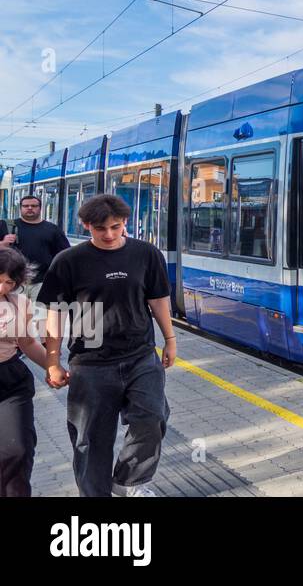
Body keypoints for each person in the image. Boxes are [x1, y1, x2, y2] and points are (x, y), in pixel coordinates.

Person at [36, 193, 175, 498]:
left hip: (140, 354)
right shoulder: (69, 261)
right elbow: (54, 313)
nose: (110, 234)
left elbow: (158, 299)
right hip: (91, 362)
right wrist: (52, 361)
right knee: (90, 439)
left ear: (125, 221)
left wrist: (170, 339)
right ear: (86, 225)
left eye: (115, 226)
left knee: (152, 418)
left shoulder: (146, 254)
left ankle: (127, 484)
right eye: (101, 229)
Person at [0, 249, 47, 497]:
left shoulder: (21, 304)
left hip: (10, 381)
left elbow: (28, 343)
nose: (2, 287)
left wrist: (53, 368)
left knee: (17, 449)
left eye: (9, 282)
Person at [1, 195, 71, 285]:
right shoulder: (5, 226)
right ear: (20, 208)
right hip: (12, 281)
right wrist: (3, 243)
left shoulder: (53, 229)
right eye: (26, 206)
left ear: (40, 208)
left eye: (34, 206)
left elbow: (64, 254)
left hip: (43, 281)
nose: (30, 208)